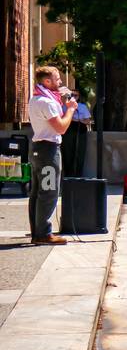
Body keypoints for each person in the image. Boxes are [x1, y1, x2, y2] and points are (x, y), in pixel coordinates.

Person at [27, 66, 77, 245]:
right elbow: (61, 128)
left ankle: (37, 232)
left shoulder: (36, 99)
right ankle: (43, 234)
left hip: (38, 148)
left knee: (37, 193)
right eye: (57, 79)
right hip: (48, 151)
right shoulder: (47, 103)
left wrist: (64, 103)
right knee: (49, 192)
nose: (61, 82)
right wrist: (70, 109)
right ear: (47, 81)